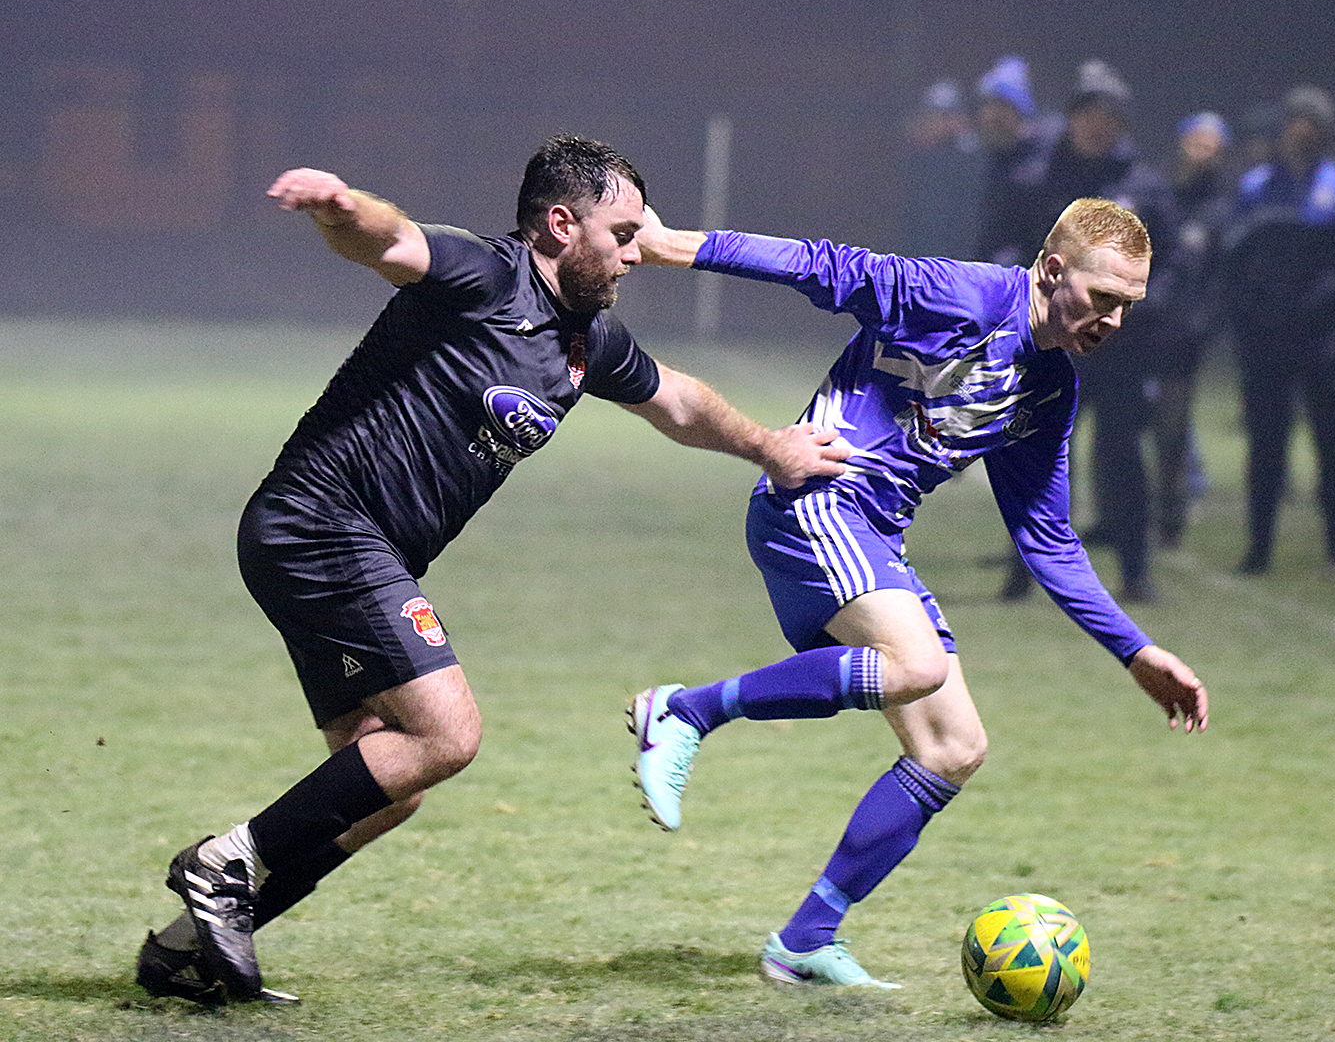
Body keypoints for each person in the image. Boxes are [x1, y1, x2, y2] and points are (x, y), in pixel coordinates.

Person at [133, 135, 850, 1005]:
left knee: (382, 787)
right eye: (621, 234)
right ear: (560, 224)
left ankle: (184, 952)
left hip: (349, 545)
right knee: (447, 734)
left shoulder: (586, 340)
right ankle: (224, 866)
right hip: (322, 522)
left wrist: (771, 446)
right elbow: (395, 241)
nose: (635, 254)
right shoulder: (487, 276)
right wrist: (341, 209)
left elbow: (679, 401)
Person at [627, 197, 1208, 988]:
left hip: (872, 542)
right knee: (916, 665)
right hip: (816, 501)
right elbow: (821, 264)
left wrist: (1135, 651)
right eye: (1102, 297)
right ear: (1051, 270)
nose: (1111, 320)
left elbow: (1046, 540)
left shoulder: (1047, 391)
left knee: (952, 747)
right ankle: (684, 711)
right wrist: (672, 247)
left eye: (1127, 307)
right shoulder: (961, 296)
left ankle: (805, 939)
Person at [1000, 61, 1178, 603]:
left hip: (1120, 347)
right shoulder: (1035, 179)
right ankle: (1022, 573)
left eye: (1110, 117)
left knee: (1122, 454)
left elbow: (1167, 260)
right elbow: (1003, 244)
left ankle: (1135, 571)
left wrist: (1144, 306)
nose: (1099, 126)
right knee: (1035, 452)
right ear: (1072, 118)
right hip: (1051, 344)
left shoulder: (1143, 186)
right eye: (1090, 114)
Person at [1221, 87, 1335, 576]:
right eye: (1296, 120)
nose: (1303, 130)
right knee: (1265, 448)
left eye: (1313, 122)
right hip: (1266, 343)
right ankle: (1259, 549)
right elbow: (1232, 265)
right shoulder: (1254, 190)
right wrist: (1245, 326)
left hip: (1323, 344)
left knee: (1331, 447)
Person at [1157, 111, 1235, 547]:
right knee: (1125, 427)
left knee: (1172, 429)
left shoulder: (1221, 208)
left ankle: (1171, 516)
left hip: (1184, 335)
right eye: (1196, 139)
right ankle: (1115, 514)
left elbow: (1222, 274)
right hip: (1141, 329)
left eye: (1212, 142)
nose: (1202, 149)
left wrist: (1205, 322)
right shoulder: (1159, 195)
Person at [971, 55, 1044, 266]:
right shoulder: (983, 159)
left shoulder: (1043, 164)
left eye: (1001, 108)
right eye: (988, 107)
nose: (992, 117)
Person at [898, 79, 982, 258]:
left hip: (961, 248)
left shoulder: (970, 154)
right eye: (932, 117)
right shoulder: (920, 156)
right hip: (925, 244)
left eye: (944, 116)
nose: (936, 124)